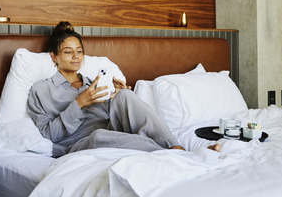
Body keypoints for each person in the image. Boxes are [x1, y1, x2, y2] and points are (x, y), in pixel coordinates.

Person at [27, 21, 218, 157]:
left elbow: (114, 114)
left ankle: (177, 148)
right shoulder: (41, 90)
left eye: (79, 51)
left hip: (113, 130)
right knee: (99, 136)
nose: (76, 57)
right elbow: (48, 135)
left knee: (124, 95)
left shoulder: (92, 82)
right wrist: (78, 103)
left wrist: (121, 95)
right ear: (54, 57)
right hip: (79, 143)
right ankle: (181, 156)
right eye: (68, 52)